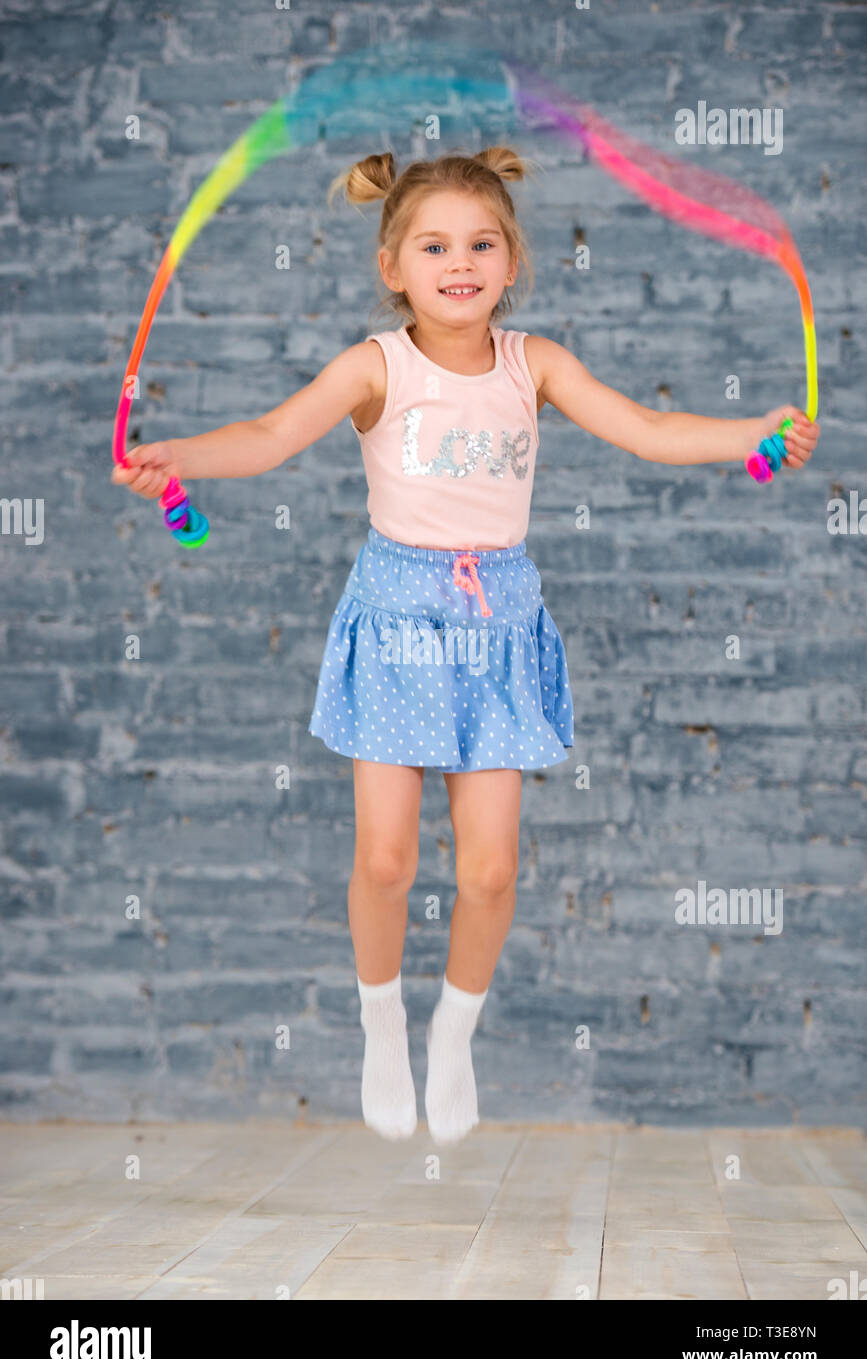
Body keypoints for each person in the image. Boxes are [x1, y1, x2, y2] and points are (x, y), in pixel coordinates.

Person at [112, 146, 820, 1146]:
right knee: (388, 857)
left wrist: (756, 426)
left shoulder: (536, 364)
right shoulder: (376, 365)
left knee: (490, 872)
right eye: (435, 244)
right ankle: (379, 1021)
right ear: (394, 264)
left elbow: (647, 426)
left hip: (498, 631)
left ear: (513, 258)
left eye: (482, 243)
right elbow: (271, 433)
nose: (461, 261)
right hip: (398, 625)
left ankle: (454, 1031)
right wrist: (179, 457)